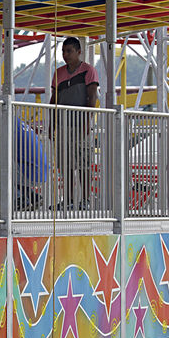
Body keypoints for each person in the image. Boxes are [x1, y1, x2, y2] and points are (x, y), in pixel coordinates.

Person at [50, 36, 99, 209]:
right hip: (63, 124)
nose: (65, 54)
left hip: (80, 123)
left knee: (84, 163)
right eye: (63, 51)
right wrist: (51, 124)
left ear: (79, 52)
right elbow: (54, 99)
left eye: (69, 51)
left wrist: (87, 121)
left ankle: (85, 199)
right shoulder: (59, 73)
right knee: (66, 164)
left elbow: (92, 96)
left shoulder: (88, 71)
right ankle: (69, 199)